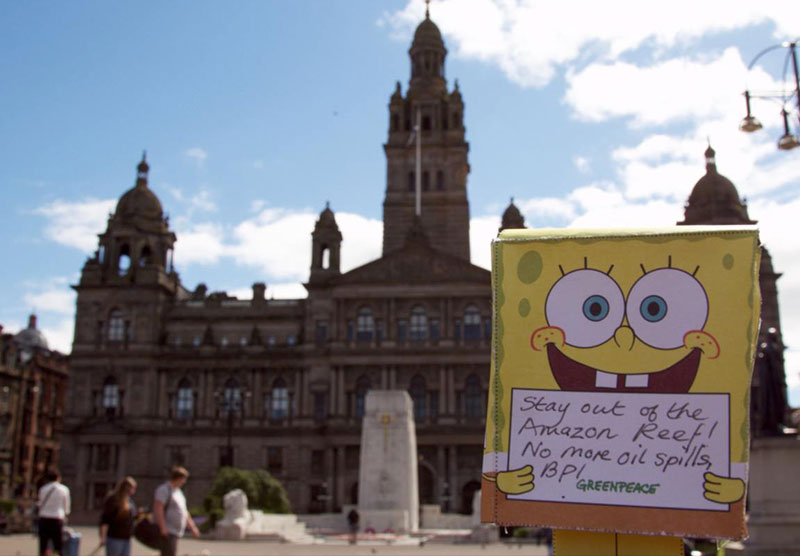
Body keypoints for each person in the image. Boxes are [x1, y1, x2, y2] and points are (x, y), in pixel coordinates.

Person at [153, 466, 199, 556]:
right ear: (178, 478)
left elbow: (184, 512)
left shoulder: (178, 492)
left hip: (175, 532)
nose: (184, 482)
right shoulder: (164, 489)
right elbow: (158, 508)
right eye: (183, 479)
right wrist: (163, 528)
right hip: (167, 530)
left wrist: (192, 527)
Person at [99, 476, 137, 556]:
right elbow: (105, 520)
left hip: (126, 539)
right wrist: (103, 537)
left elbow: (131, 518)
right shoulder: (113, 500)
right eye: (133, 488)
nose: (134, 490)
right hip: (115, 538)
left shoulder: (129, 501)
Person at [37, 468, 70, 556]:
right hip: (57, 518)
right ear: (58, 478)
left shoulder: (43, 489)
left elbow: (40, 503)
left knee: (43, 545)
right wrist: (66, 515)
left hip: (44, 518)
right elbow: (66, 506)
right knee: (58, 545)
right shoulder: (64, 489)